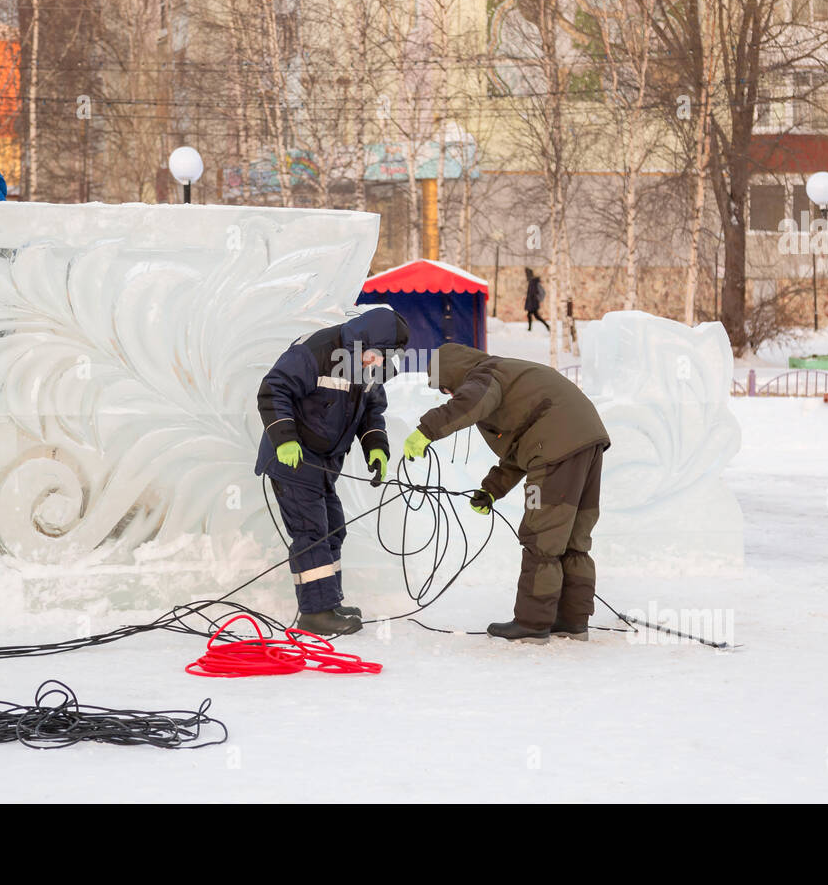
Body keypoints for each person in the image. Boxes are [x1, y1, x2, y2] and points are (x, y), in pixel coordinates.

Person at [403, 343, 610, 643]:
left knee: (542, 537)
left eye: (447, 387)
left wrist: (426, 430)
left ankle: (532, 623)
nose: (449, 395)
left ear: (454, 373)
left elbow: (467, 405)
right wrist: (491, 490)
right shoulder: (508, 376)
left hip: (556, 448)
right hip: (586, 442)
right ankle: (572, 621)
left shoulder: (484, 376)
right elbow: (518, 451)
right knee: (574, 540)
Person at [255, 306, 410, 636]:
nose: (379, 365)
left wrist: (377, 448)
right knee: (312, 533)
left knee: (333, 530)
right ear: (364, 341)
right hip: (292, 460)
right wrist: (283, 437)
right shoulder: (314, 351)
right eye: (379, 356)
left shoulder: (367, 365)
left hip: (323, 465)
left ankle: (329, 603)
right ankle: (315, 613)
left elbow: (371, 411)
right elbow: (273, 389)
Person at [524, 267, 548, 332]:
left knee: (535, 316)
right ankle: (530, 328)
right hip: (531, 303)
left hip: (534, 303)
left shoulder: (535, 283)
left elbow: (543, 292)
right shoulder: (531, 282)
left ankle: (530, 328)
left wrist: (538, 299)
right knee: (532, 315)